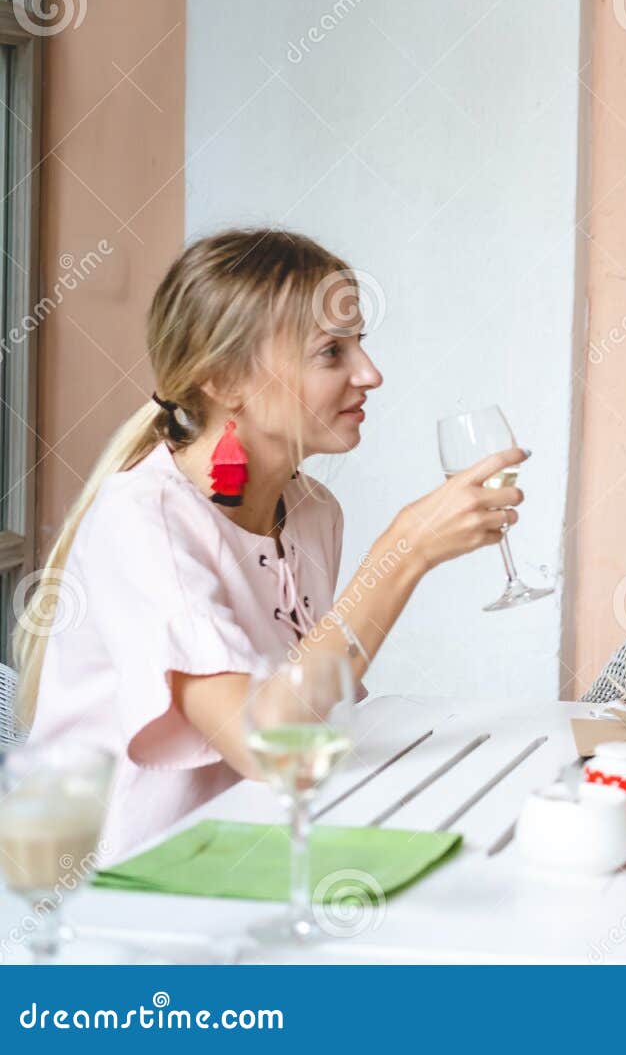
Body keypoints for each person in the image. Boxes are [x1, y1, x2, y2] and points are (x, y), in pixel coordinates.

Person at [18, 229, 527, 859]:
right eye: (330, 353)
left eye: (360, 344)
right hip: (134, 890)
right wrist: (405, 551)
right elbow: (269, 743)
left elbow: (314, 716)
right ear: (225, 379)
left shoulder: (314, 512)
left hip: (261, 846)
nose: (371, 373)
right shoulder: (144, 521)